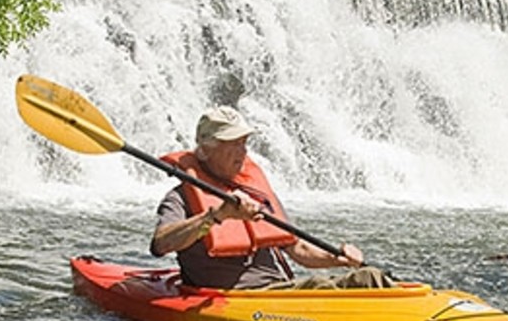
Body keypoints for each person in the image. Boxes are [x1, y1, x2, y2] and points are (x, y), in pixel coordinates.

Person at [150, 106, 390, 290]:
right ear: (204, 151)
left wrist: (338, 258)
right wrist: (217, 215)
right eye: (232, 144)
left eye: (244, 143)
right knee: (322, 286)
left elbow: (298, 248)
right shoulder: (180, 198)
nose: (242, 152)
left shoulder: (255, 193)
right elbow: (161, 244)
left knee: (370, 278)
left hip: (277, 292)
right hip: (241, 298)